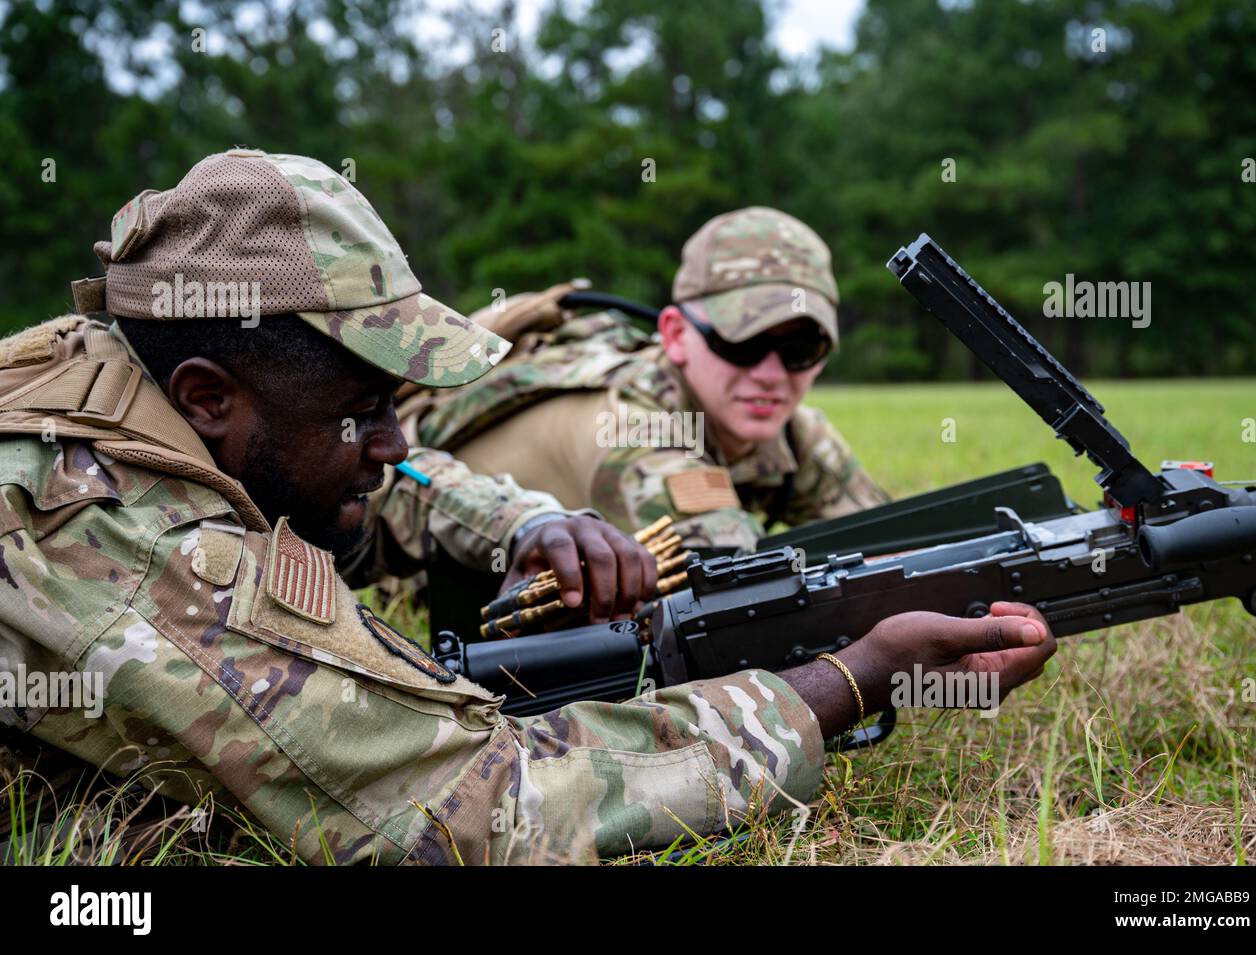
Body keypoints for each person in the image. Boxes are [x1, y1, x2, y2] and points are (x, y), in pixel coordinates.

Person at [0, 151, 1056, 864]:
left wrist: (520, 524)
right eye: (363, 412)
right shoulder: (120, 549)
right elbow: (476, 807)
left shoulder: (115, 364)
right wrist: (842, 683)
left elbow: (405, 486)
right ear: (207, 399)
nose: (396, 443)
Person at [413, 207, 890, 551]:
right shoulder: (632, 429)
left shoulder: (791, 430)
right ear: (676, 335)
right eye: (741, 345)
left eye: (800, 351)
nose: (770, 375)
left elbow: (893, 545)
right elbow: (735, 598)